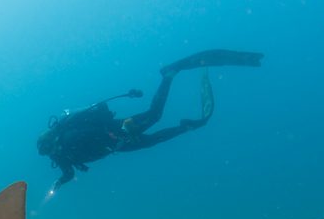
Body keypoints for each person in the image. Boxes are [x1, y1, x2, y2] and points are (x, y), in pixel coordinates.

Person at [37, 49, 264, 191]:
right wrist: (59, 183)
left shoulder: (69, 139)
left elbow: (96, 134)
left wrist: (121, 133)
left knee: (154, 115)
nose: (52, 153)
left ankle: (168, 75)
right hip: (119, 145)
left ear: (52, 144)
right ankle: (186, 127)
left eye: (50, 149)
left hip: (118, 131)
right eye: (49, 153)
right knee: (154, 140)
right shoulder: (61, 155)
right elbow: (68, 172)